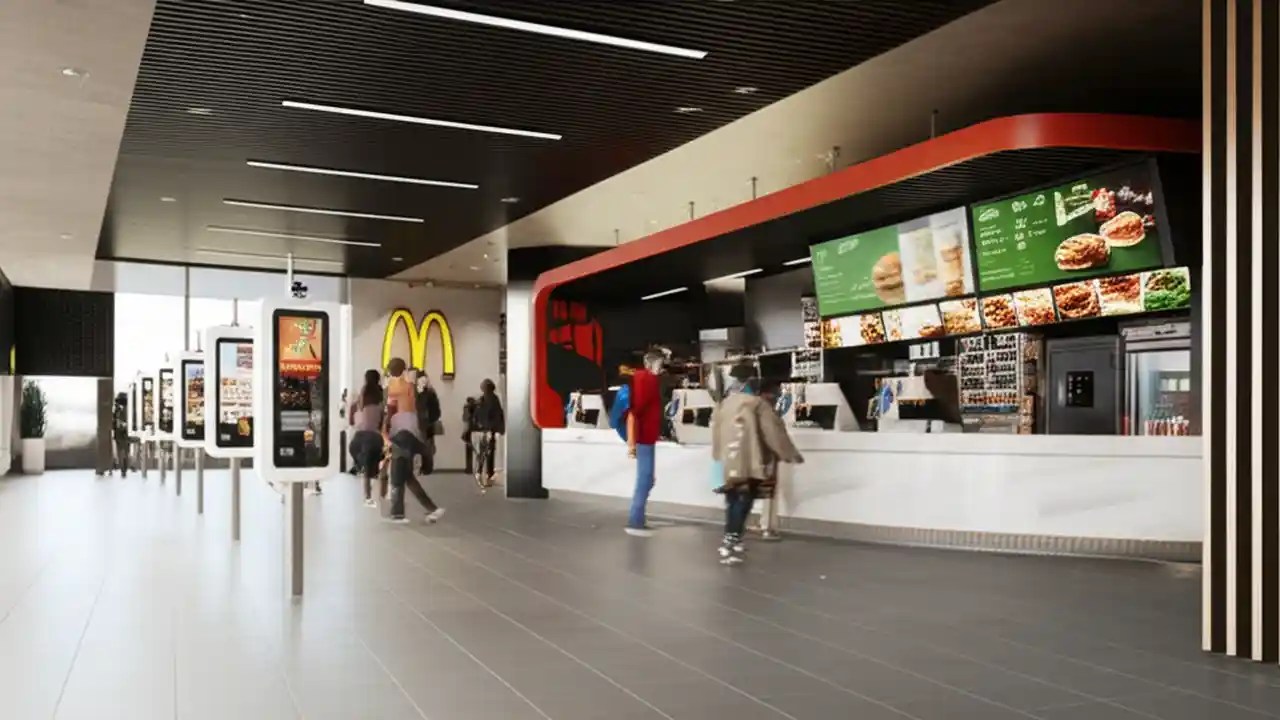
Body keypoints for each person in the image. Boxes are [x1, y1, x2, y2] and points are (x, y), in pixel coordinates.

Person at [711, 366, 803, 565]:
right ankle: (730, 541)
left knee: (732, 500)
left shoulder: (724, 404)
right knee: (744, 500)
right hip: (749, 461)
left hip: (728, 461)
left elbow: (716, 432)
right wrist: (789, 454)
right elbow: (773, 432)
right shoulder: (757, 404)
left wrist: (718, 459)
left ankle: (732, 538)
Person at [382, 357, 444, 524]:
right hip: (412, 433)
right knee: (407, 476)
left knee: (397, 475)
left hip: (399, 434)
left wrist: (385, 434)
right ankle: (431, 508)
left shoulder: (391, 388)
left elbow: (389, 413)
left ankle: (398, 514)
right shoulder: (410, 387)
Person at [625, 351, 664, 537]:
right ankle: (636, 519)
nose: (662, 368)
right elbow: (639, 407)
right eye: (660, 364)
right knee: (645, 478)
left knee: (646, 478)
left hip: (645, 434)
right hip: (645, 435)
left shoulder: (643, 379)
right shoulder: (647, 380)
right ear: (652, 364)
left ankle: (637, 517)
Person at [348, 369, 385, 508]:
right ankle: (377, 494)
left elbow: (351, 422)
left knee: (364, 464)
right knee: (374, 466)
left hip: (359, 438)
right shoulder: (381, 401)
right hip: (375, 437)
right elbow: (381, 424)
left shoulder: (358, 402)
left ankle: (367, 493)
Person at [471, 379, 504, 489]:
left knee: (482, 453)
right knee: (489, 453)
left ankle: (480, 472)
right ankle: (488, 474)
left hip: (482, 431)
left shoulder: (481, 400)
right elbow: (499, 415)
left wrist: (477, 425)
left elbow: (476, 415)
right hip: (490, 430)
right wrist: (499, 429)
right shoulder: (494, 400)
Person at [415, 372, 442, 476]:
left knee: (426, 445)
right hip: (422, 423)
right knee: (425, 445)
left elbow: (435, 410)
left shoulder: (428, 394)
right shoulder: (428, 393)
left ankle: (426, 468)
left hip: (425, 424)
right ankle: (423, 468)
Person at [111, 392, 130, 476]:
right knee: (124, 451)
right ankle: (123, 467)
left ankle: (123, 467)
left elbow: (114, 421)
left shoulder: (118, 410)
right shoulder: (121, 410)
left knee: (122, 450)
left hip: (121, 432)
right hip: (122, 433)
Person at [461, 396, 477, 475]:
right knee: (479, 450)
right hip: (477, 430)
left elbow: (465, 419)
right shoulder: (478, 407)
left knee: (469, 450)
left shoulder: (467, 407)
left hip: (469, 431)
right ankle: (478, 468)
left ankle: (469, 468)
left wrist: (464, 432)